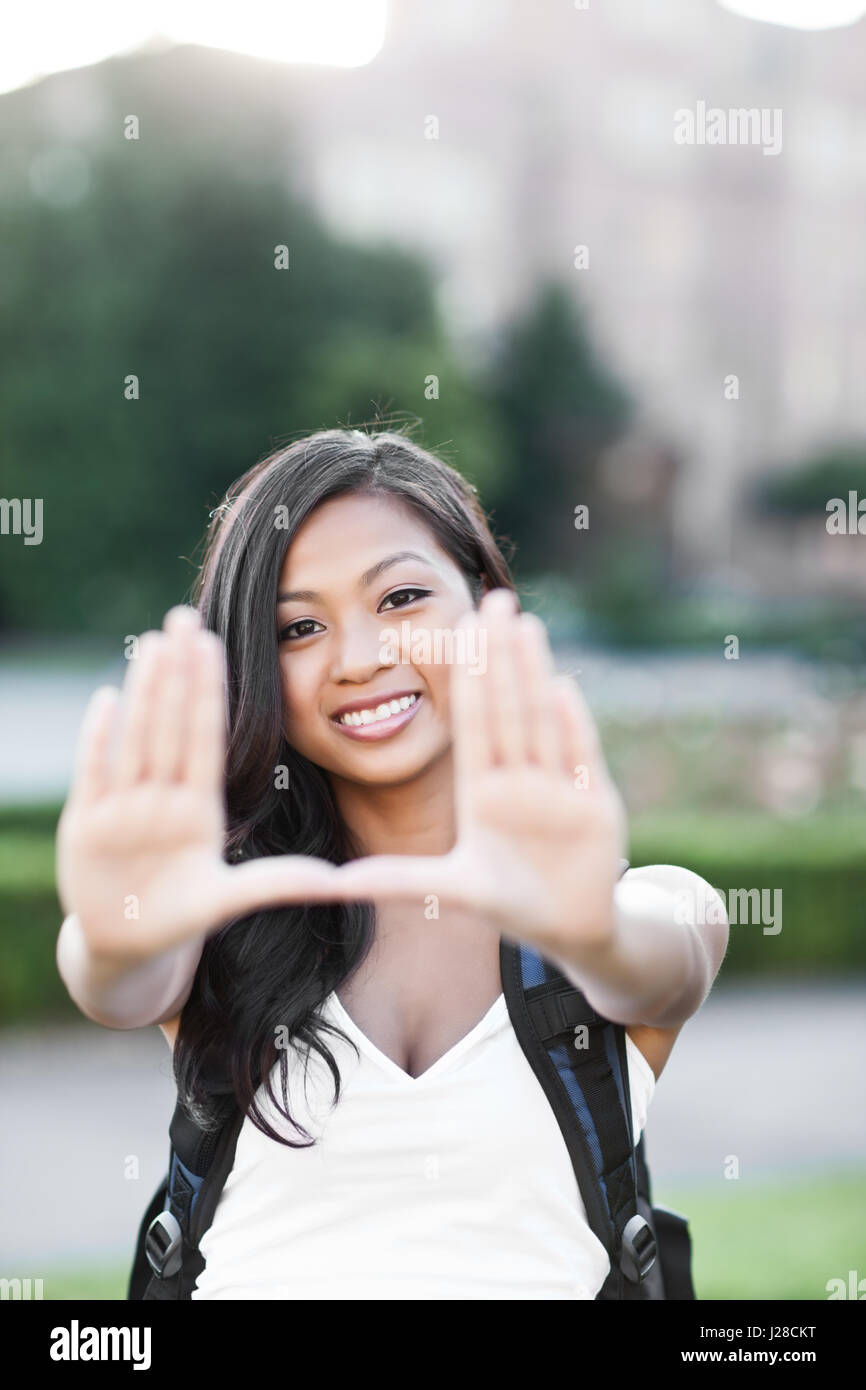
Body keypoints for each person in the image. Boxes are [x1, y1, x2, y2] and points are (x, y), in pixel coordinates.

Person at [55, 425, 728, 1300]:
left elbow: (662, 966)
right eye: (298, 626)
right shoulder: (224, 916)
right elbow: (121, 983)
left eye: (402, 597)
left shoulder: (638, 912)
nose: (362, 659)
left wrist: (589, 933)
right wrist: (113, 935)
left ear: (488, 602)